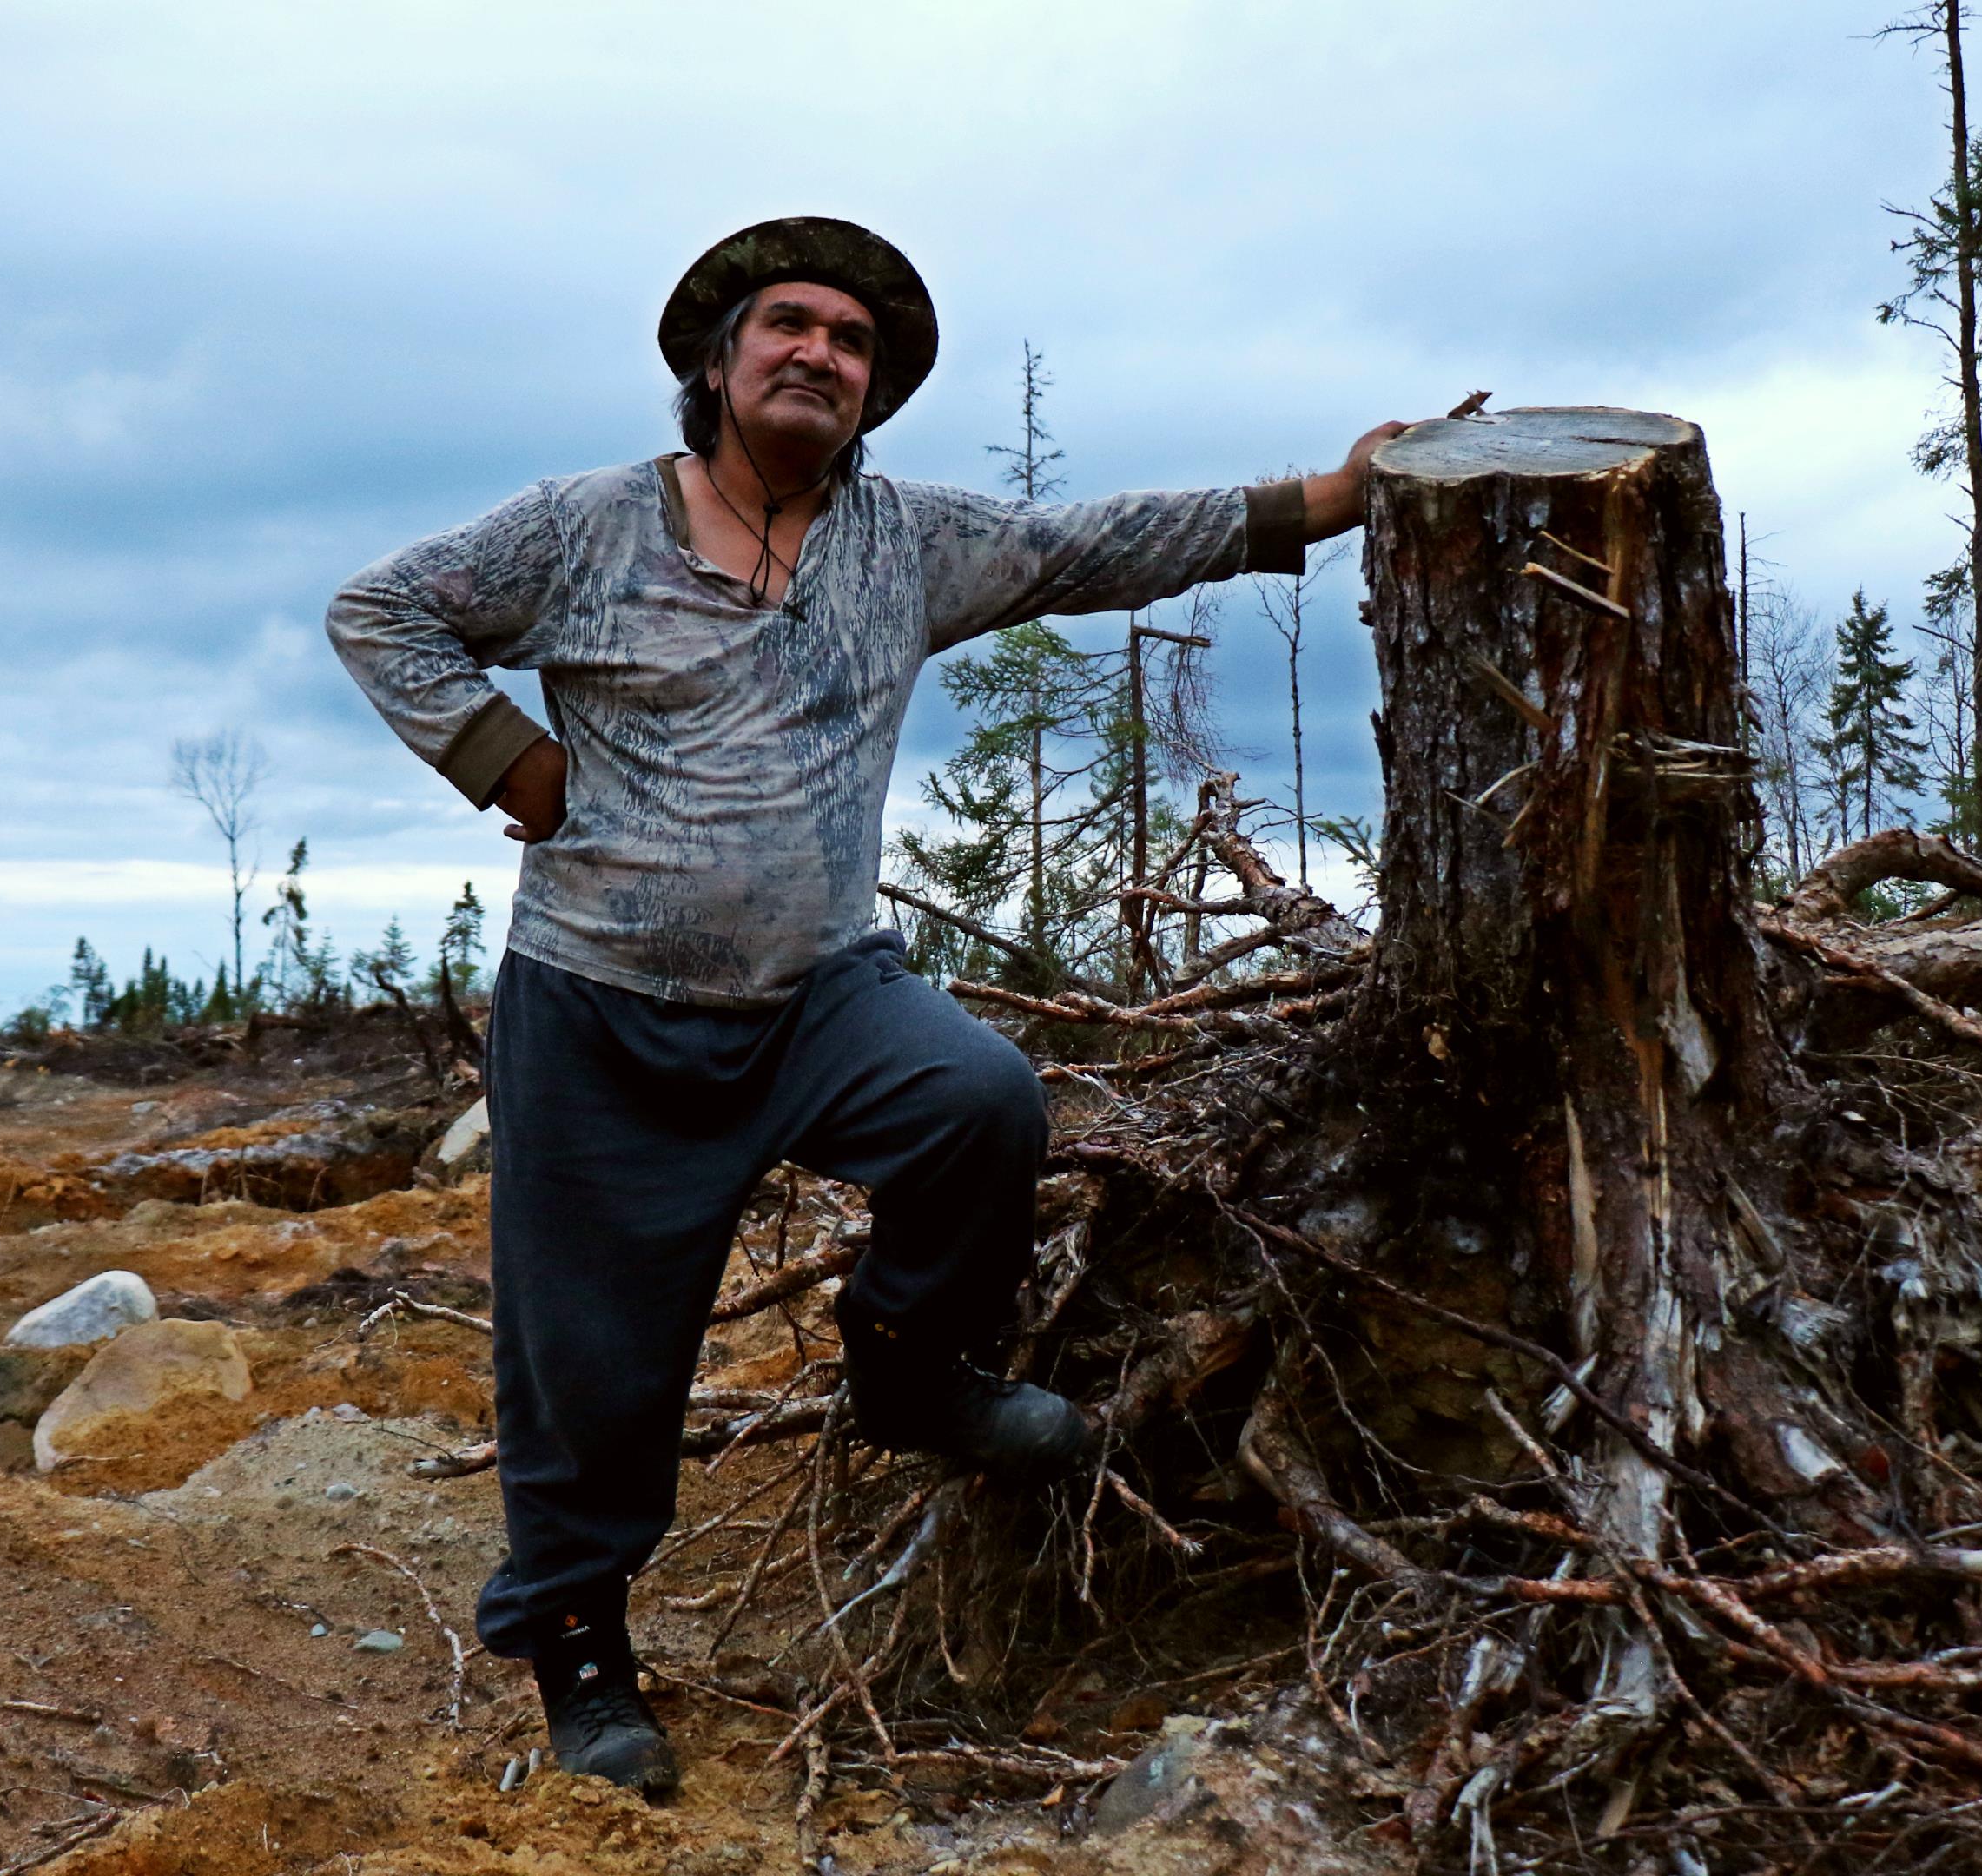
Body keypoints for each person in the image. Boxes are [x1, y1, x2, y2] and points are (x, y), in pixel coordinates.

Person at [327, 215, 1405, 1795]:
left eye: (852, 343)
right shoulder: (582, 529)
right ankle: (580, 1656)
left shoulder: (905, 545)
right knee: (591, 1369)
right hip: (600, 1013)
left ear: (871, 392)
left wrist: (1322, 499)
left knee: (978, 1101)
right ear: (719, 358)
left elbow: (1091, 545)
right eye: (791, 325)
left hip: (820, 992)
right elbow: (383, 612)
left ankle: (911, 1374)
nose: (821, 353)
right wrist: (511, 760)